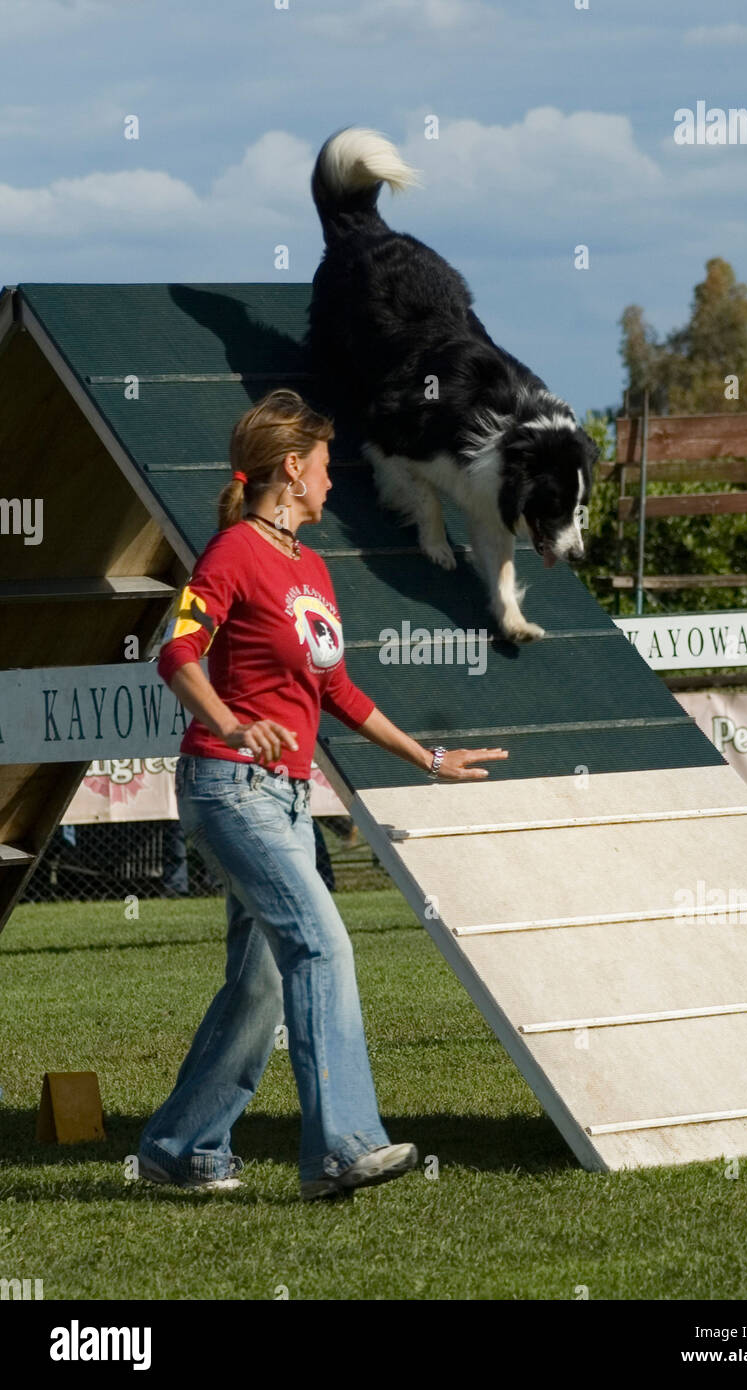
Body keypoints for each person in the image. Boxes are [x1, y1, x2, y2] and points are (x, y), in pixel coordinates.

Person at [136, 389, 508, 1199]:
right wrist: (233, 724)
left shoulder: (312, 566)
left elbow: (336, 687)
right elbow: (176, 653)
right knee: (323, 945)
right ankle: (340, 1147)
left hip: (290, 799)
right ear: (293, 470)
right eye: (328, 468)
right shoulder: (233, 552)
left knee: (264, 977)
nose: (335, 484)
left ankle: (179, 1147)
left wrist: (427, 756)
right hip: (229, 786)